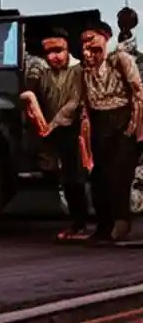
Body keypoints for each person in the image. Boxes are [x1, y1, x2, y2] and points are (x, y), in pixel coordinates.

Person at [49, 21, 143, 242]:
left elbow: (138, 93)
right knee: (99, 176)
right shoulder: (84, 70)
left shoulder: (120, 60)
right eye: (83, 42)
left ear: (105, 37)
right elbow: (77, 101)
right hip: (100, 125)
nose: (87, 47)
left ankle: (121, 222)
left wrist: (134, 128)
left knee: (119, 175)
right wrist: (53, 124)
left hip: (123, 122)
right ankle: (104, 225)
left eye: (91, 39)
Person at [21, 28, 88, 240]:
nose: (53, 56)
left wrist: (54, 123)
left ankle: (89, 223)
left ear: (67, 49)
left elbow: (75, 102)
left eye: (58, 51)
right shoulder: (44, 73)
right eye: (48, 52)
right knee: (67, 179)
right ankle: (77, 224)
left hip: (77, 129)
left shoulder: (79, 70)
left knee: (79, 178)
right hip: (55, 132)